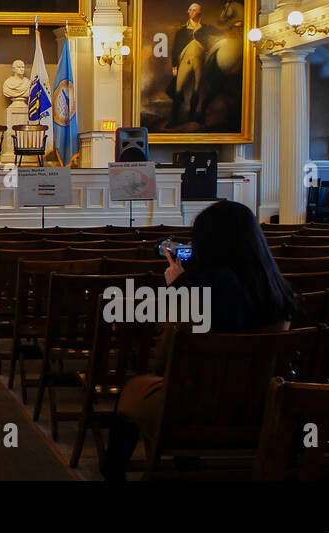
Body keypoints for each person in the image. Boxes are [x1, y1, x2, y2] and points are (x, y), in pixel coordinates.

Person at [100, 200, 297, 480]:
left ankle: (113, 473)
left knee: (132, 391)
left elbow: (167, 360)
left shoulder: (201, 290)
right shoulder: (278, 290)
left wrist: (177, 289)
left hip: (194, 408)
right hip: (261, 407)